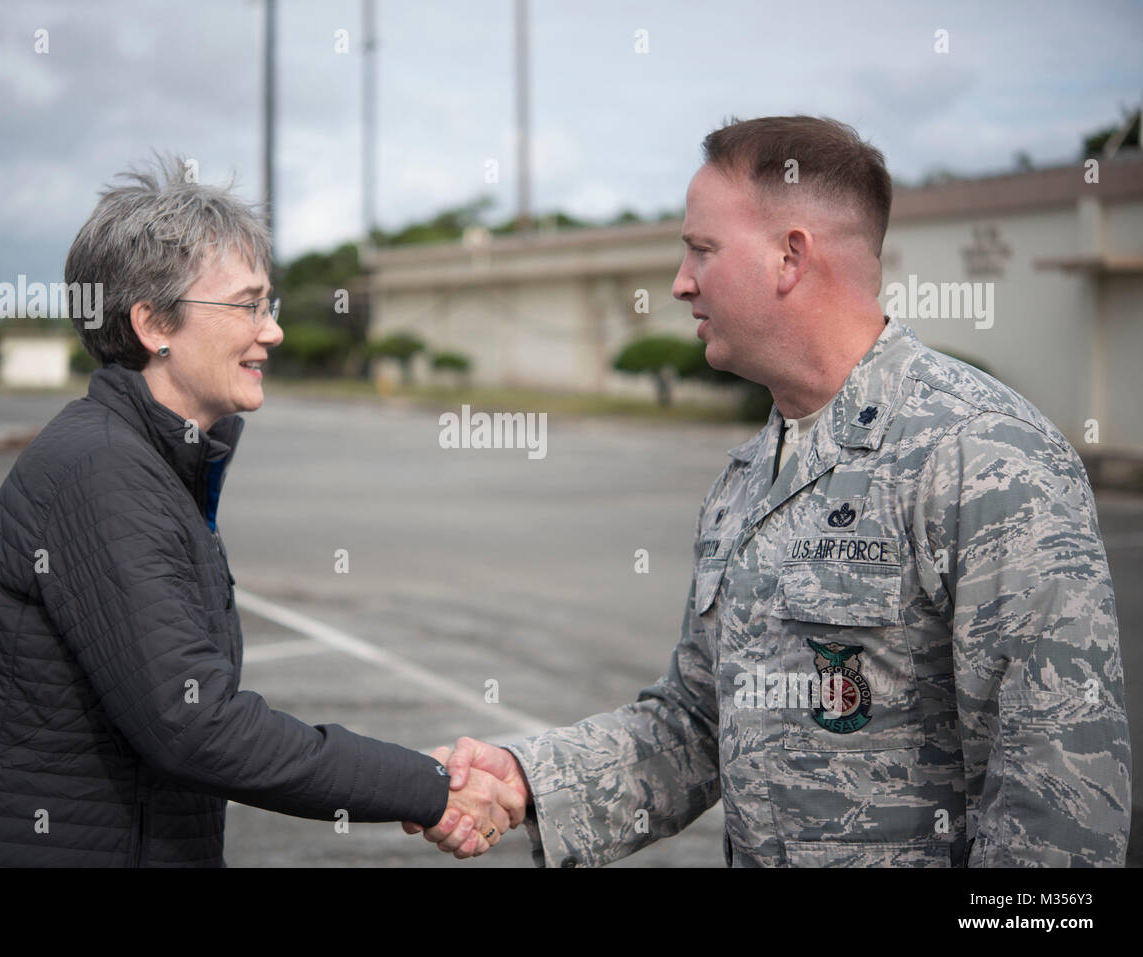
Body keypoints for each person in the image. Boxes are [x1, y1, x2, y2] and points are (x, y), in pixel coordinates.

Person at [407, 116, 1131, 866]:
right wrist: (526, 779)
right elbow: (697, 723)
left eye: (701, 250)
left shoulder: (981, 456)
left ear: (790, 257)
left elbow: (1056, 800)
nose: (681, 281)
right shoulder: (747, 478)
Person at [0, 156, 523, 866]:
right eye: (247, 304)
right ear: (153, 324)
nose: (273, 331)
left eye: (270, 305)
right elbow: (194, 723)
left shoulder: (154, 460)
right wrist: (426, 786)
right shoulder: (102, 470)